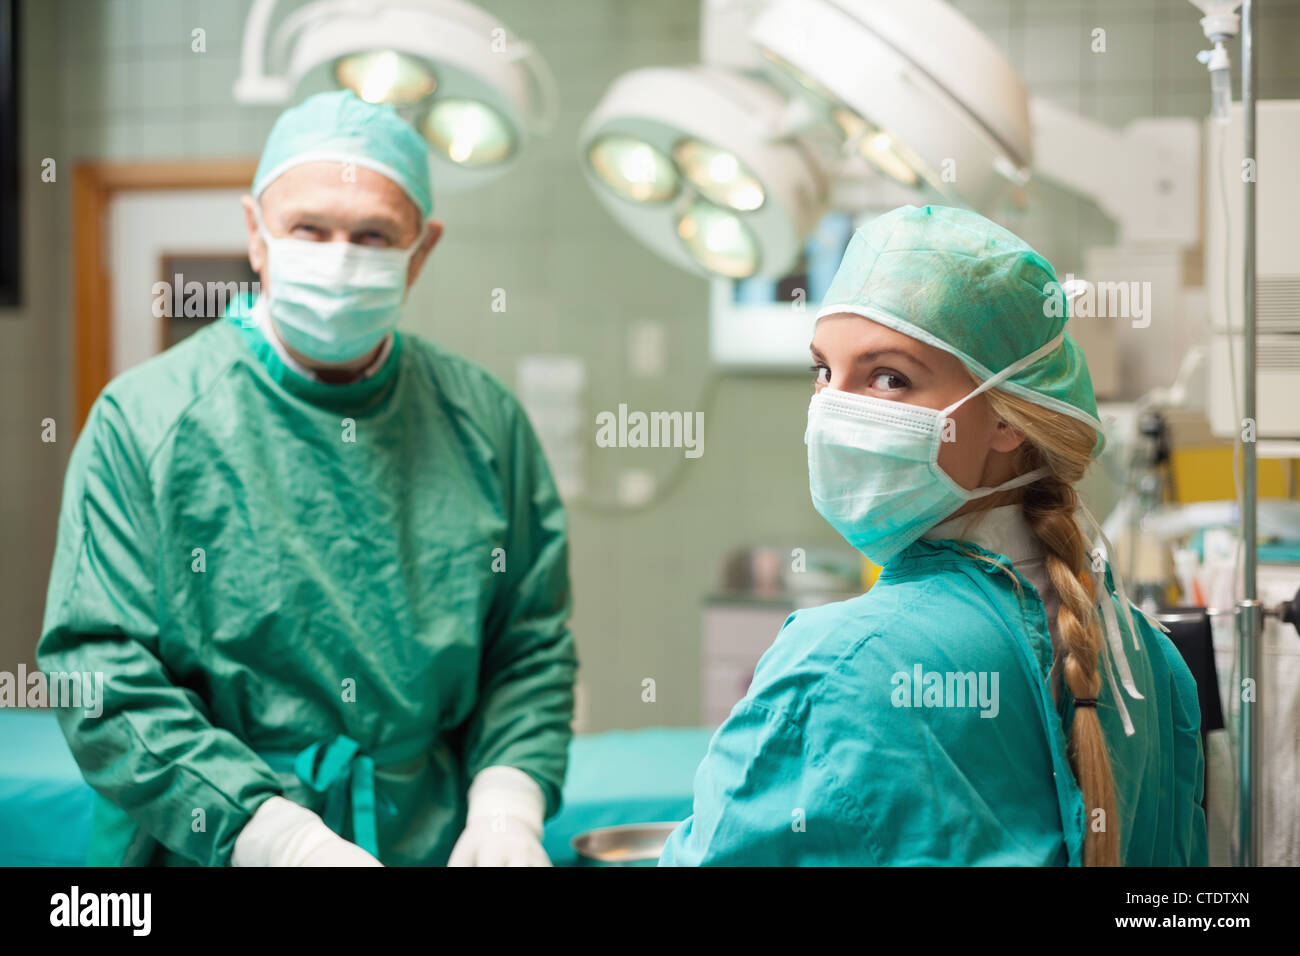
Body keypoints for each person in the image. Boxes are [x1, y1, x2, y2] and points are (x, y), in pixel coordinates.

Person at [37, 90, 577, 867]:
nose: (339, 256)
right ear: (256, 234)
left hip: (422, 840)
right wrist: (270, 836)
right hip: (202, 844)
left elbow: (528, 647)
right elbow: (100, 676)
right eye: (308, 229)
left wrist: (506, 804)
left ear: (421, 251)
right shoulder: (147, 422)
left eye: (371, 235)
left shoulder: (482, 423)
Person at [660, 204, 1207, 867]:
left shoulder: (839, 666)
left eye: (888, 377)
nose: (834, 408)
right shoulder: (1150, 666)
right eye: (823, 372)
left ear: (1008, 418)